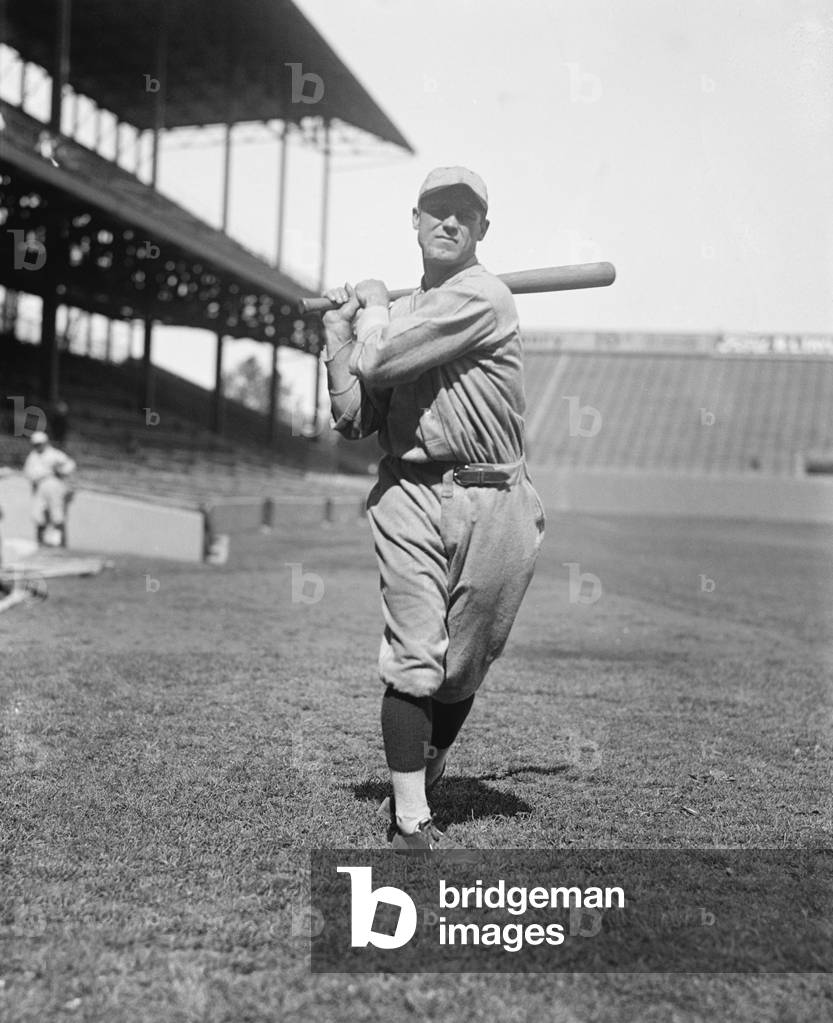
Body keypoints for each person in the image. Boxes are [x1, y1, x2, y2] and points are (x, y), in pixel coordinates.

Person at [322, 167, 546, 851]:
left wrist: (369, 306)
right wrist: (337, 334)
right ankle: (411, 819)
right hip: (411, 494)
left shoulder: (483, 297)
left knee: (461, 669)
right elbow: (357, 416)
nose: (449, 222)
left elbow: (383, 358)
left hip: (496, 496)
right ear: (414, 221)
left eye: (463, 214)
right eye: (436, 211)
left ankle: (426, 766)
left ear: (481, 229)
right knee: (416, 655)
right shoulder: (406, 309)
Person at [22, 431, 76, 547]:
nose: (38, 446)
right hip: (39, 486)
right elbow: (28, 473)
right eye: (36, 444)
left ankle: (59, 543)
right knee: (38, 514)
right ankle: (40, 542)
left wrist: (60, 471)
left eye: (40, 444)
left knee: (57, 514)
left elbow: (70, 465)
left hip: (54, 484)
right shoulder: (33, 456)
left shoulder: (54, 454)